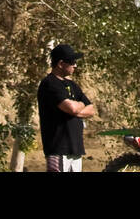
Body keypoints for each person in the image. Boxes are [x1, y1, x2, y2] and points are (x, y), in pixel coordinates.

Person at [37, 44, 96, 173]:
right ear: (60, 63)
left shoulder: (72, 85)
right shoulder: (49, 84)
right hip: (58, 150)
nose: (75, 65)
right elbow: (71, 108)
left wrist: (76, 108)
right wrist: (79, 105)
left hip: (75, 150)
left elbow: (91, 109)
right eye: (72, 62)